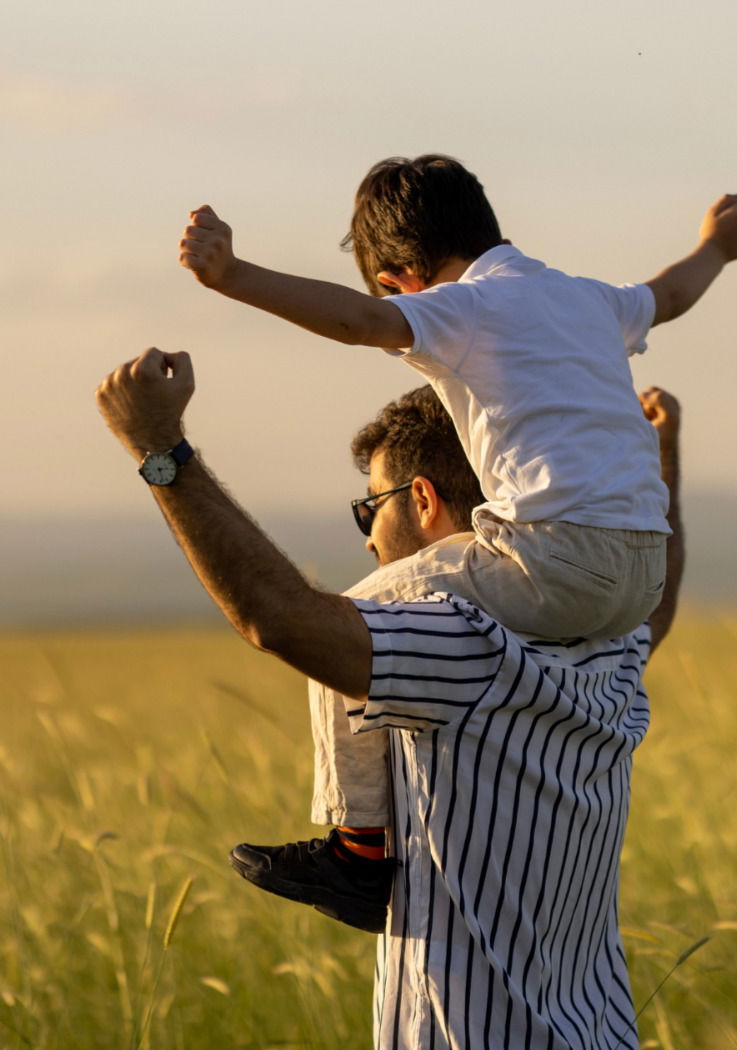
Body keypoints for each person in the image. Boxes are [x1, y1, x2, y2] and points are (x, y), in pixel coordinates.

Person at [95, 347, 686, 1049]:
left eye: (370, 508)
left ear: (425, 501)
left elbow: (280, 620)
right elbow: (658, 602)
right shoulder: (606, 637)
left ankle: (356, 850)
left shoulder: (463, 645)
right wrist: (660, 465)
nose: (370, 538)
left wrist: (158, 447)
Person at [179, 154, 737, 877]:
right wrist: (719, 245)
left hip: (551, 559)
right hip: (640, 575)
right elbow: (671, 293)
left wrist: (232, 275)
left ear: (403, 278)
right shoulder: (590, 298)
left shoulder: (463, 307)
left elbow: (357, 320)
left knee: (351, 616)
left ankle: (357, 851)